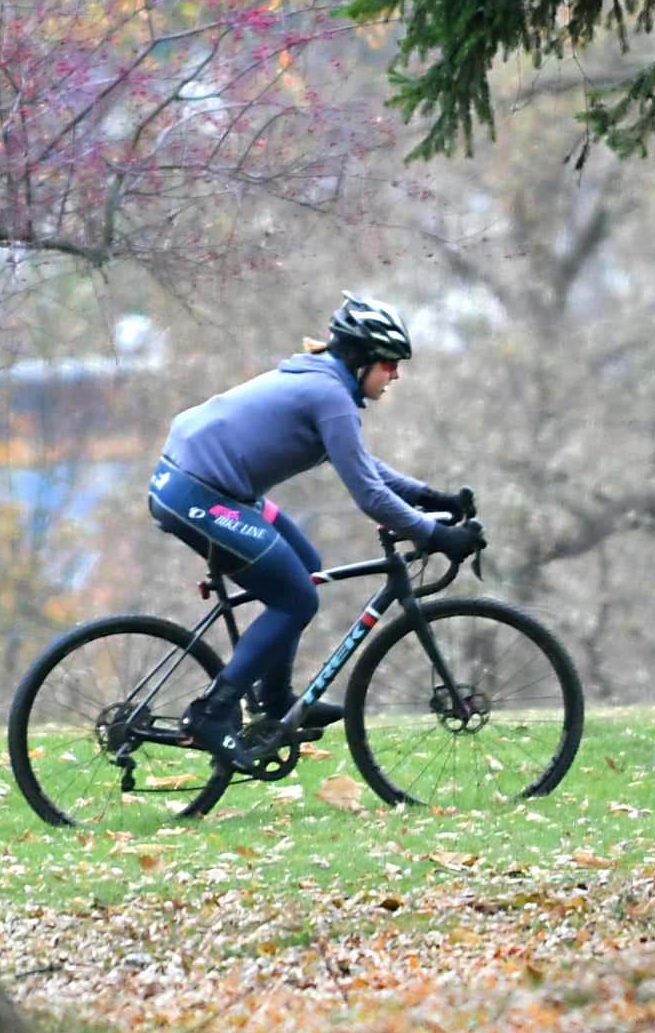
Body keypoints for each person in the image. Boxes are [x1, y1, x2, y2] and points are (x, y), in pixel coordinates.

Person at [147, 291, 484, 769]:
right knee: (296, 599)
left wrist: (431, 499)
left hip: (209, 488)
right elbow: (369, 496)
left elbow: (364, 466)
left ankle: (276, 700)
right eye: (389, 364)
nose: (395, 375)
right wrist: (434, 535)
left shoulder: (325, 384)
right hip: (199, 494)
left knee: (305, 566)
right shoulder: (329, 396)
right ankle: (212, 713)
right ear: (363, 360)